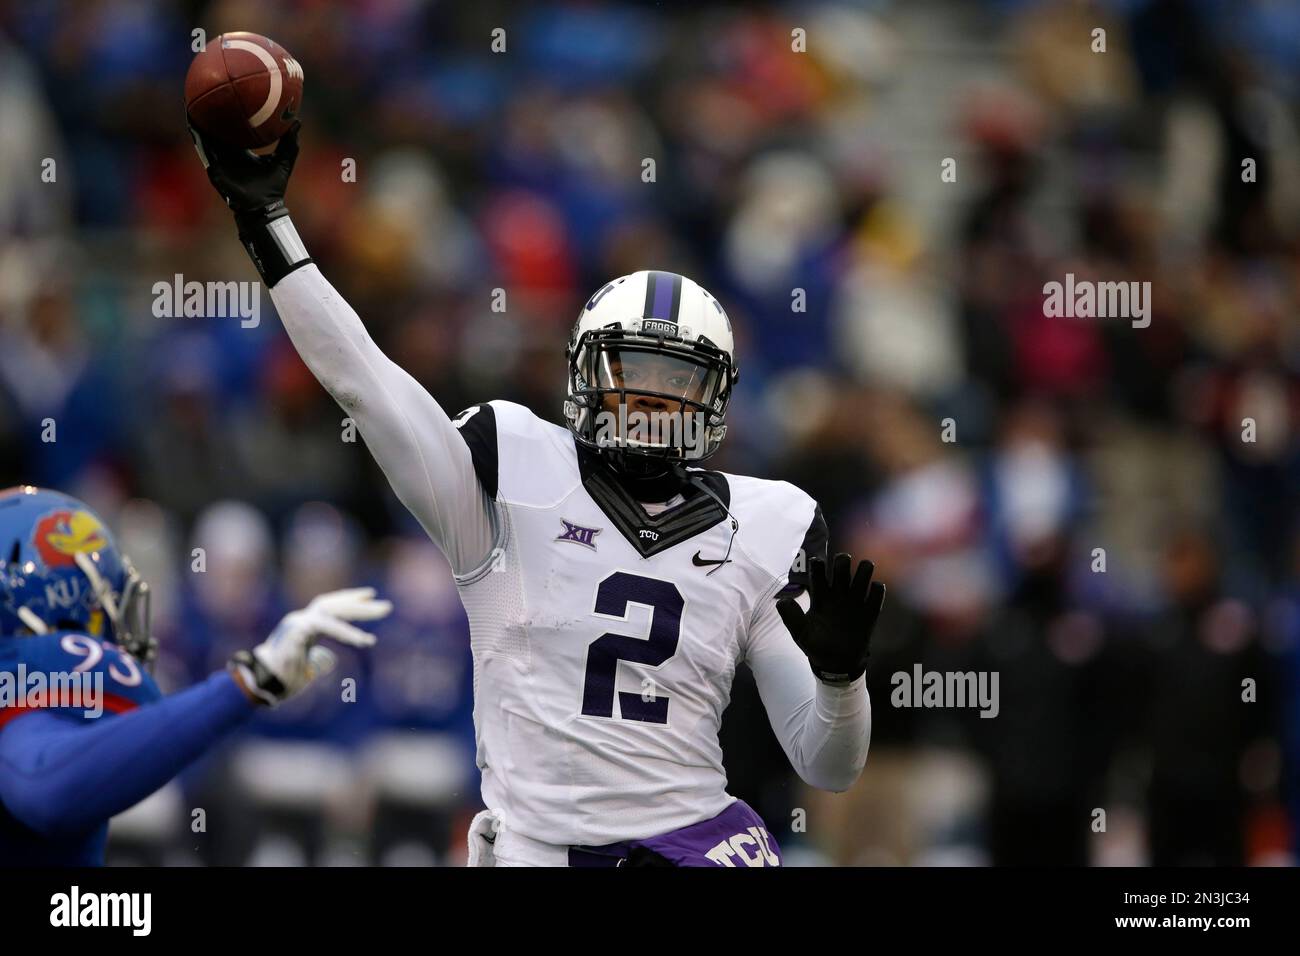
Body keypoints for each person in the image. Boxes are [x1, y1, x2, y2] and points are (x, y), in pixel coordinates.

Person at [189, 121, 885, 867]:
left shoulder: (764, 523)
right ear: (584, 376)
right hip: (536, 848)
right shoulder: (509, 477)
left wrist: (842, 678)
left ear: (715, 399)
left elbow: (827, 765)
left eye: (675, 381)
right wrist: (266, 225)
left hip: (687, 841)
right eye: (628, 374)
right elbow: (364, 380)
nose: (649, 402)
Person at [0, 486, 389, 865]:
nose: (116, 617)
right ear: (57, 604)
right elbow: (45, 790)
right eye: (103, 598)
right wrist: (246, 685)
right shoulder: (34, 673)